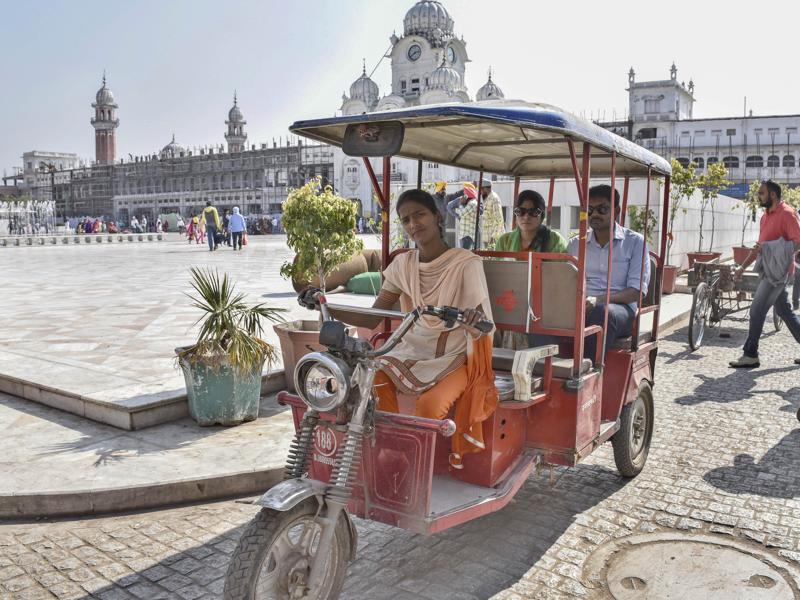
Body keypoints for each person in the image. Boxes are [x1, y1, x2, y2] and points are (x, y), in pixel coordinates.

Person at [320, 188, 498, 469]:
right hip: (410, 350)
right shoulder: (403, 264)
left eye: (420, 215)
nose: (413, 224)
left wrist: (472, 320)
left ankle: (418, 469)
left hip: (455, 358)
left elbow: (484, 324)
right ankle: (392, 453)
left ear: (438, 216)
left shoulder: (466, 263)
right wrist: (323, 303)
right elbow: (372, 317)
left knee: (429, 406)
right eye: (406, 220)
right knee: (371, 377)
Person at [567, 184, 650, 362]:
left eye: (602, 209)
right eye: (589, 209)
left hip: (620, 311)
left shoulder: (635, 242)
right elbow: (566, 282)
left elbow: (637, 291)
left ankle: (586, 373)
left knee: (602, 313)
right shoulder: (575, 244)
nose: (595, 214)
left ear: (617, 210)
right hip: (582, 307)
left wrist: (599, 299)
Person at [729, 180, 800, 368]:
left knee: (757, 310)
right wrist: (742, 268)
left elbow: (797, 243)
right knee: (785, 312)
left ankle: (750, 354)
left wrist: (771, 248)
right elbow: (760, 248)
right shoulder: (764, 216)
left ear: (773, 195)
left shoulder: (788, 214)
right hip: (766, 270)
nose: (758, 196)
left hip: (777, 275)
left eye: (761, 193)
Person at [495, 190, 568, 253]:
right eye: (521, 211)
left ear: (542, 216)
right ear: (515, 214)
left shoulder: (555, 240)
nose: (526, 217)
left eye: (533, 212)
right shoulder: (504, 241)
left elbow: (559, 268)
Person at [448, 183, 479, 249]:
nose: (463, 196)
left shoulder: (472, 203)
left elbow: (462, 214)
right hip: (463, 234)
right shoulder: (469, 203)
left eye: (465, 194)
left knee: (466, 256)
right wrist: (457, 216)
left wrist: (461, 204)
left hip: (467, 235)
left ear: (468, 195)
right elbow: (449, 206)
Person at [478, 179, 506, 250]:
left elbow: (499, 219)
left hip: (494, 239)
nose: (480, 192)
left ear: (484, 188)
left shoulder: (494, 199)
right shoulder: (487, 199)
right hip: (487, 238)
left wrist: (493, 237)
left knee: (495, 260)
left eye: (480, 189)